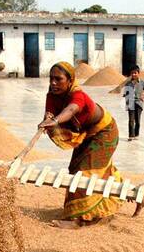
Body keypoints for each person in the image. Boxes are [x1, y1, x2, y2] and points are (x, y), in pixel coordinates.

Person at [40, 61, 123, 228]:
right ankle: (141, 199)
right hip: (87, 134)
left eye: (58, 79)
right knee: (75, 169)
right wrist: (47, 120)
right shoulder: (52, 95)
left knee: (85, 173)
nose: (53, 83)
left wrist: (55, 121)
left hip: (104, 132)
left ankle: (82, 220)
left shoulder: (78, 96)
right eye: (51, 79)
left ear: (70, 81)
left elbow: (70, 110)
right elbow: (49, 112)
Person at [121, 66, 144, 140]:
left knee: (137, 121)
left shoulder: (142, 83)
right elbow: (125, 92)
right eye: (132, 73)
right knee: (131, 120)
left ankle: (136, 134)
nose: (133, 74)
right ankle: (131, 135)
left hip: (138, 103)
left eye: (135, 73)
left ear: (138, 73)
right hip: (131, 103)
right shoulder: (128, 83)